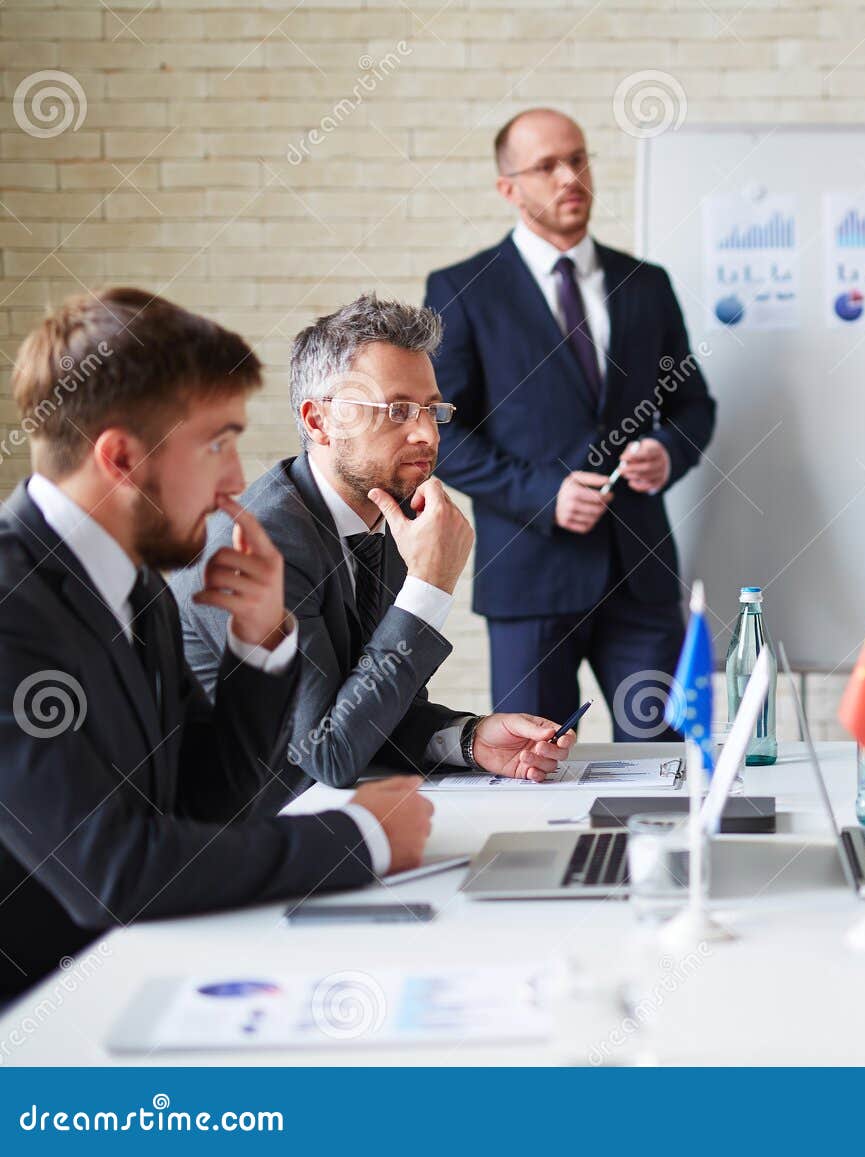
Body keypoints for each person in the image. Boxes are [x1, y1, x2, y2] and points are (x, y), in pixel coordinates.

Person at [0, 288, 433, 1000]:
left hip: (141, 976)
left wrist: (259, 647)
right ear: (119, 458)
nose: (236, 477)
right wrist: (361, 839)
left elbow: (202, 807)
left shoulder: (138, 584)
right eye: (216, 443)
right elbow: (112, 871)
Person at [174, 294, 575, 793]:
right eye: (398, 410)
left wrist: (468, 738)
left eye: (432, 410)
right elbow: (328, 749)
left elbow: (368, 710)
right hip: (228, 836)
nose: (427, 434)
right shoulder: (252, 548)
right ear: (319, 421)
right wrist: (430, 585)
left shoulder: (387, 516)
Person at [423, 108, 716, 737]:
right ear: (509, 188)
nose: (569, 176)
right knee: (536, 762)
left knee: (668, 761)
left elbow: (694, 405)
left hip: (640, 576)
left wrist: (669, 450)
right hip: (530, 578)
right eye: (547, 165)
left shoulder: (646, 285)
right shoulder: (462, 290)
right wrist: (542, 494)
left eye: (578, 159)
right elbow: (438, 432)